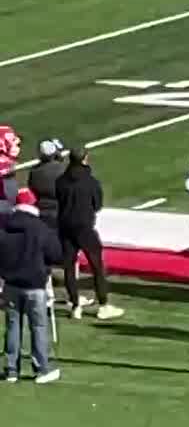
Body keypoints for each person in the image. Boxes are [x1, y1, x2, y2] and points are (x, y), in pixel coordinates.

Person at [1, 190, 62, 383]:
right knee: (38, 327)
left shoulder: (6, 227)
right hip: (35, 286)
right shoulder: (41, 228)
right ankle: (41, 369)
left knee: (12, 327)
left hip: (11, 284)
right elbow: (56, 254)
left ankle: (11, 369)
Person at [54, 147, 118, 320]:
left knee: (69, 266)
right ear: (85, 159)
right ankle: (103, 304)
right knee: (97, 265)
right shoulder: (91, 182)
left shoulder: (61, 181)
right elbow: (97, 205)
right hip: (84, 227)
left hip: (66, 226)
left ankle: (75, 305)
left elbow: (58, 200)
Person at [27, 140, 65, 221]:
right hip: (60, 209)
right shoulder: (62, 169)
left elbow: (31, 188)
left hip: (42, 210)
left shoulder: (34, 172)